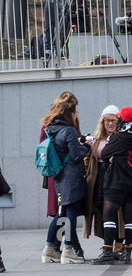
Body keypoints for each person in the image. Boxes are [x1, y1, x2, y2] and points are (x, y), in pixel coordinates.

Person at [39, 92, 89, 264]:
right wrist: (87, 148)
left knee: (61, 213)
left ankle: (49, 249)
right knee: (70, 215)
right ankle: (68, 249)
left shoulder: (50, 129)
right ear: (70, 113)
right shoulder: (68, 130)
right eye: (75, 111)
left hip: (58, 177)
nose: (76, 115)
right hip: (71, 177)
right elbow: (76, 155)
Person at [94, 107, 132, 264]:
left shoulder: (119, 137)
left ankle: (108, 250)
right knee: (130, 218)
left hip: (116, 183)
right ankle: (127, 251)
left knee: (108, 214)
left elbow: (104, 154)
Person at [83, 105, 122, 256]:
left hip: (115, 178)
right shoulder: (97, 139)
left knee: (116, 211)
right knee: (100, 209)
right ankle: (107, 243)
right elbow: (89, 157)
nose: (110, 124)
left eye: (113, 120)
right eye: (107, 121)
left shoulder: (120, 138)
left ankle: (117, 243)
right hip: (98, 178)